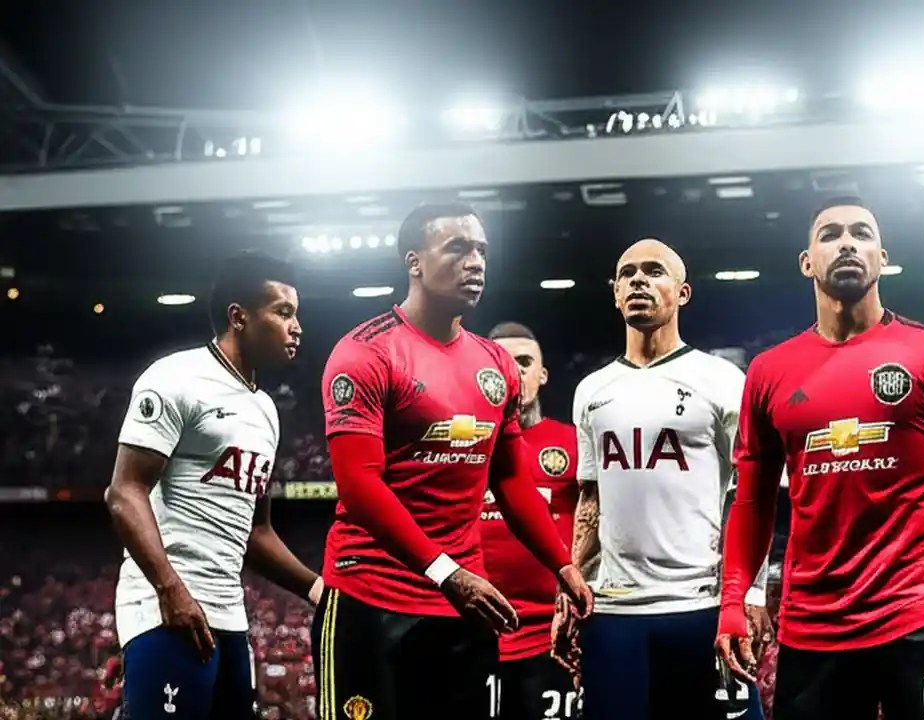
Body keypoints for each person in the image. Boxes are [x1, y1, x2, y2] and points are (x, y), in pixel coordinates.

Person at [716, 196, 924, 720]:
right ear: (807, 262)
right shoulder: (769, 373)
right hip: (811, 624)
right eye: (830, 234)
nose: (848, 242)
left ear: (883, 257)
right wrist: (733, 602)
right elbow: (751, 503)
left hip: (914, 612)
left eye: (862, 232)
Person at [313, 203, 592, 720]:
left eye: (482, 250)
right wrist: (447, 572)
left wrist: (563, 564)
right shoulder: (366, 354)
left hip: (460, 607)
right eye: (458, 248)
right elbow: (360, 485)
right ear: (414, 262)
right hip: (370, 600)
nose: (476, 262)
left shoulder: (495, 364)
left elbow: (509, 478)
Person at [105, 251, 321, 720]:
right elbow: (124, 492)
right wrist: (171, 590)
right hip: (165, 610)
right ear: (239, 317)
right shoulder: (175, 378)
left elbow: (256, 533)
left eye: (297, 314)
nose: (297, 327)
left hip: (228, 617)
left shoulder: (265, 410)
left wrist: (318, 589)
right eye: (283, 312)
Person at [561, 238, 770, 720]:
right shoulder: (591, 391)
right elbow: (589, 498)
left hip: (704, 605)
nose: (638, 280)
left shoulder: (722, 380)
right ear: (614, 294)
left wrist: (750, 594)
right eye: (627, 273)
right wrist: (570, 590)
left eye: (654, 271)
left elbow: (750, 496)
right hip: (614, 611)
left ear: (682, 293)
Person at [480, 321, 582, 719]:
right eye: (501, 361)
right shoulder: (457, 444)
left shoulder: (572, 442)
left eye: (524, 362)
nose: (513, 371)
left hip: (551, 638)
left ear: (542, 374)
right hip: (474, 636)